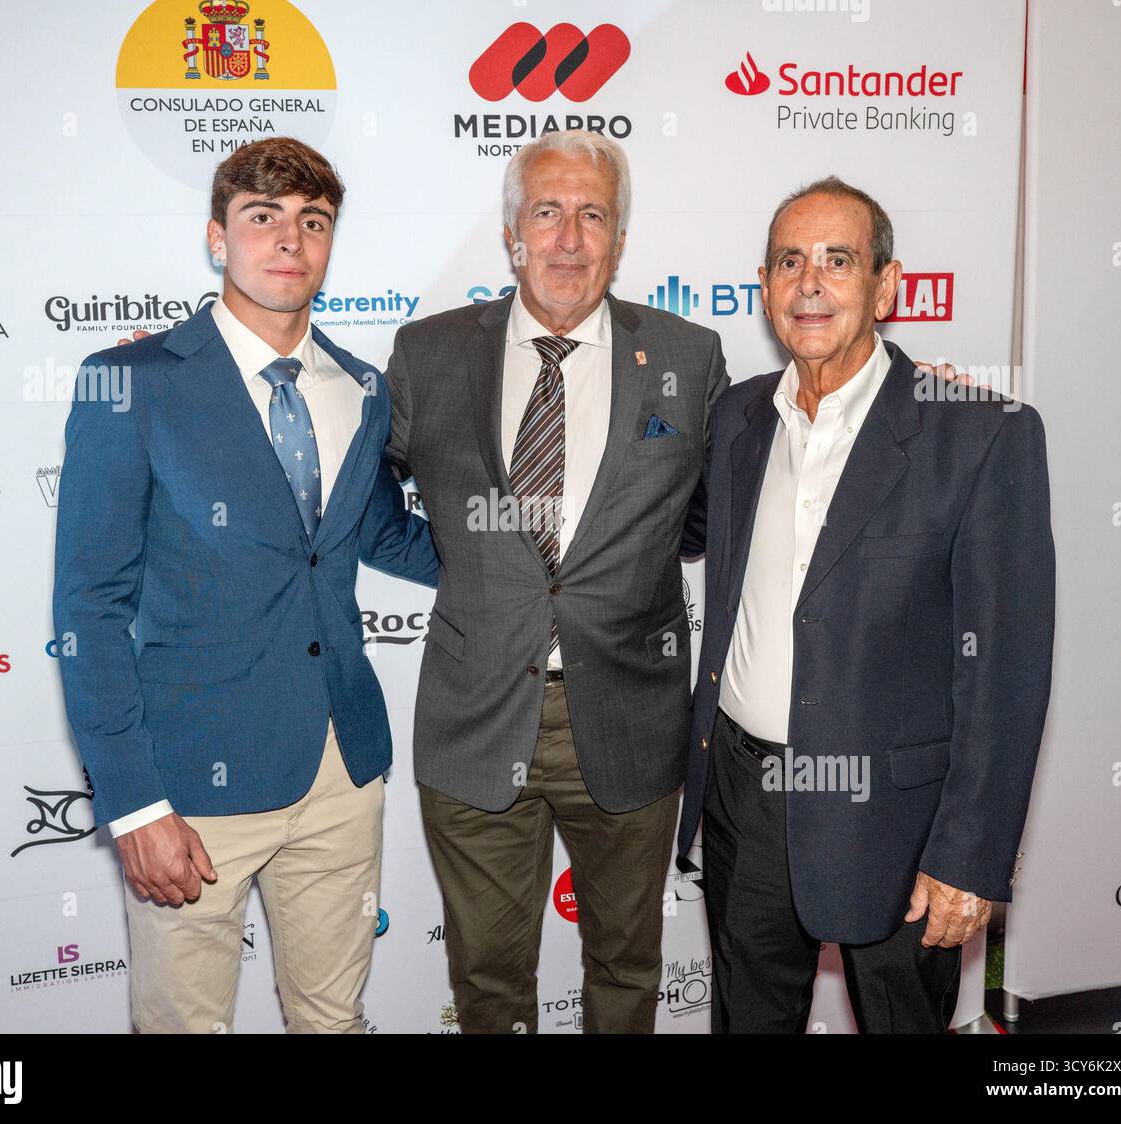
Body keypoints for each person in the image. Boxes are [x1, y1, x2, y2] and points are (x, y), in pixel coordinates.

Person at [52, 137, 438, 1033]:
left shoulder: (361, 386)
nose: (290, 241)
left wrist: (536, 561)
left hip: (343, 764)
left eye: (313, 222)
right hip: (190, 783)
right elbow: (89, 609)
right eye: (262, 218)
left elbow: (377, 530)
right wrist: (134, 801)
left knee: (333, 1020)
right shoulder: (131, 383)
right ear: (218, 240)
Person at [676, 176, 1055, 1033]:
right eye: (789, 262)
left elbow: (1007, 672)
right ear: (765, 285)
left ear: (887, 285)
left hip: (898, 825)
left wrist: (971, 861)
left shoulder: (981, 434)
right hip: (744, 799)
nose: (810, 283)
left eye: (838, 261)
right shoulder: (737, 419)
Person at [384, 130, 730, 1033]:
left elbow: (711, 508)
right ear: (512, 234)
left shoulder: (691, 359)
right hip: (474, 713)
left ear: (620, 240)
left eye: (592, 216)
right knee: (490, 980)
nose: (568, 238)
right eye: (547, 213)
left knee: (626, 967)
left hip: (631, 714)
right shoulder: (429, 353)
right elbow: (358, 487)